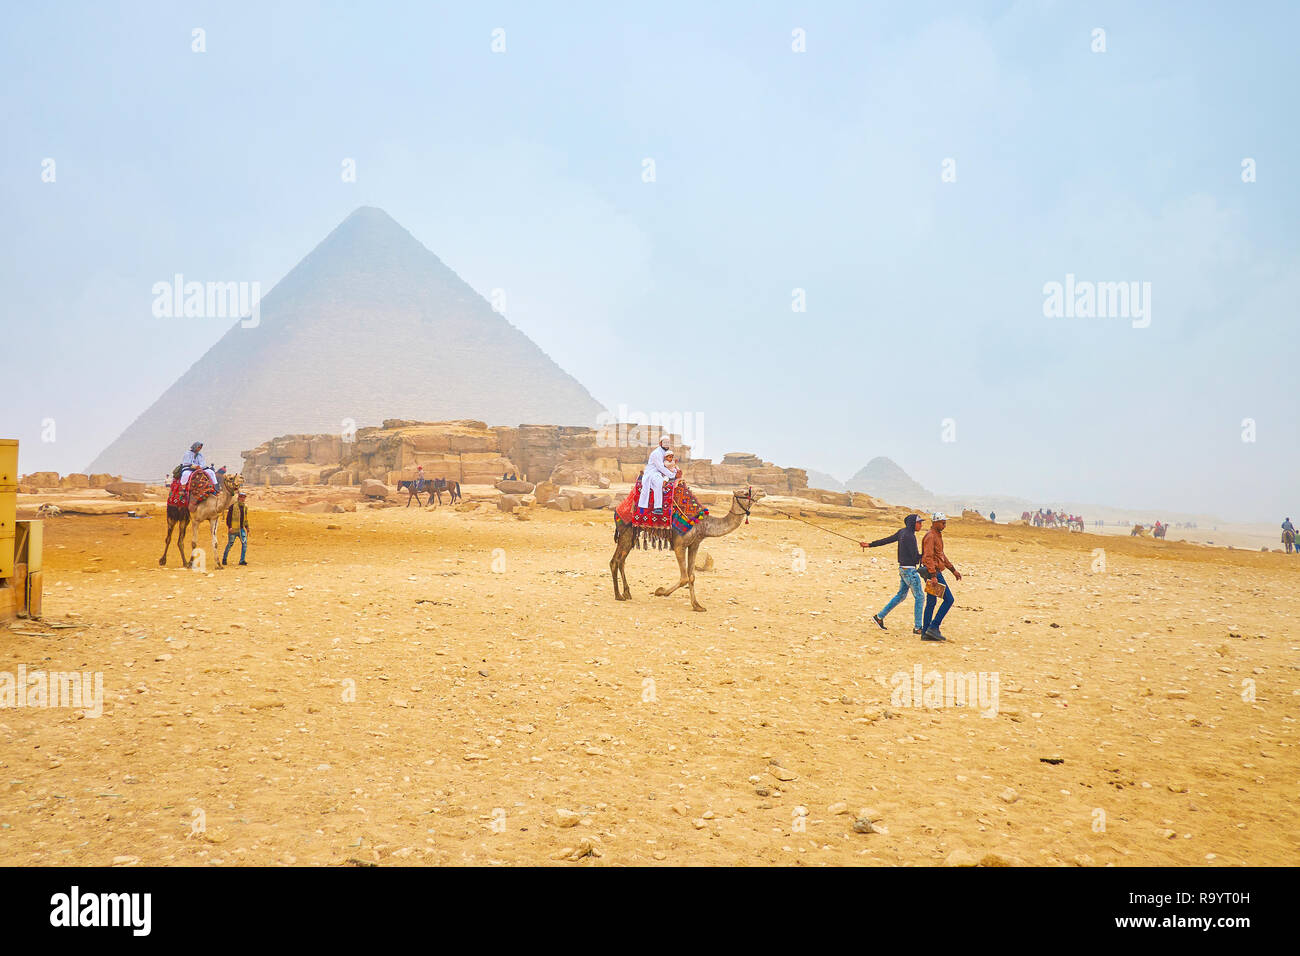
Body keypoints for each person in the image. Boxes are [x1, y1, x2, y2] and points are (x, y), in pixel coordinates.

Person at [862, 514, 925, 636]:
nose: (921, 525)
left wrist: (869, 545)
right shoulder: (910, 536)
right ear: (913, 523)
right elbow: (915, 558)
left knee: (901, 595)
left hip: (902, 569)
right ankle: (918, 627)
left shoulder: (902, 532)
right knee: (920, 597)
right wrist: (927, 555)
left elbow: (886, 540)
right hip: (910, 571)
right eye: (919, 523)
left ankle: (879, 617)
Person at [920, 511, 962, 641]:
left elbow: (941, 555)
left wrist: (952, 570)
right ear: (935, 522)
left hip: (934, 572)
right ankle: (933, 627)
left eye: (945, 523)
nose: (945, 525)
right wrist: (933, 575)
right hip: (934, 574)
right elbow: (928, 557)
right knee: (949, 600)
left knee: (931, 602)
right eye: (943, 523)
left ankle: (926, 633)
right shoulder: (931, 536)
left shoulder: (937, 535)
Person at [637, 435, 680, 515]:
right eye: (665, 442)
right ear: (660, 443)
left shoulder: (666, 453)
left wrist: (675, 471)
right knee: (659, 482)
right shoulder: (657, 453)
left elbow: (668, 465)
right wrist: (672, 475)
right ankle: (658, 507)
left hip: (662, 472)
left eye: (668, 443)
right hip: (652, 472)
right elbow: (660, 467)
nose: (667, 444)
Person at [222, 491, 250, 566]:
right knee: (230, 544)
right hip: (233, 529)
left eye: (244, 497)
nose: (242, 499)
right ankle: (224, 559)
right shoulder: (232, 507)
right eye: (241, 497)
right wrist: (230, 527)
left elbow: (245, 518)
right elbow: (228, 518)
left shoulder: (245, 507)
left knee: (244, 544)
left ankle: (242, 560)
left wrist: (247, 527)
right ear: (239, 497)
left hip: (241, 529)